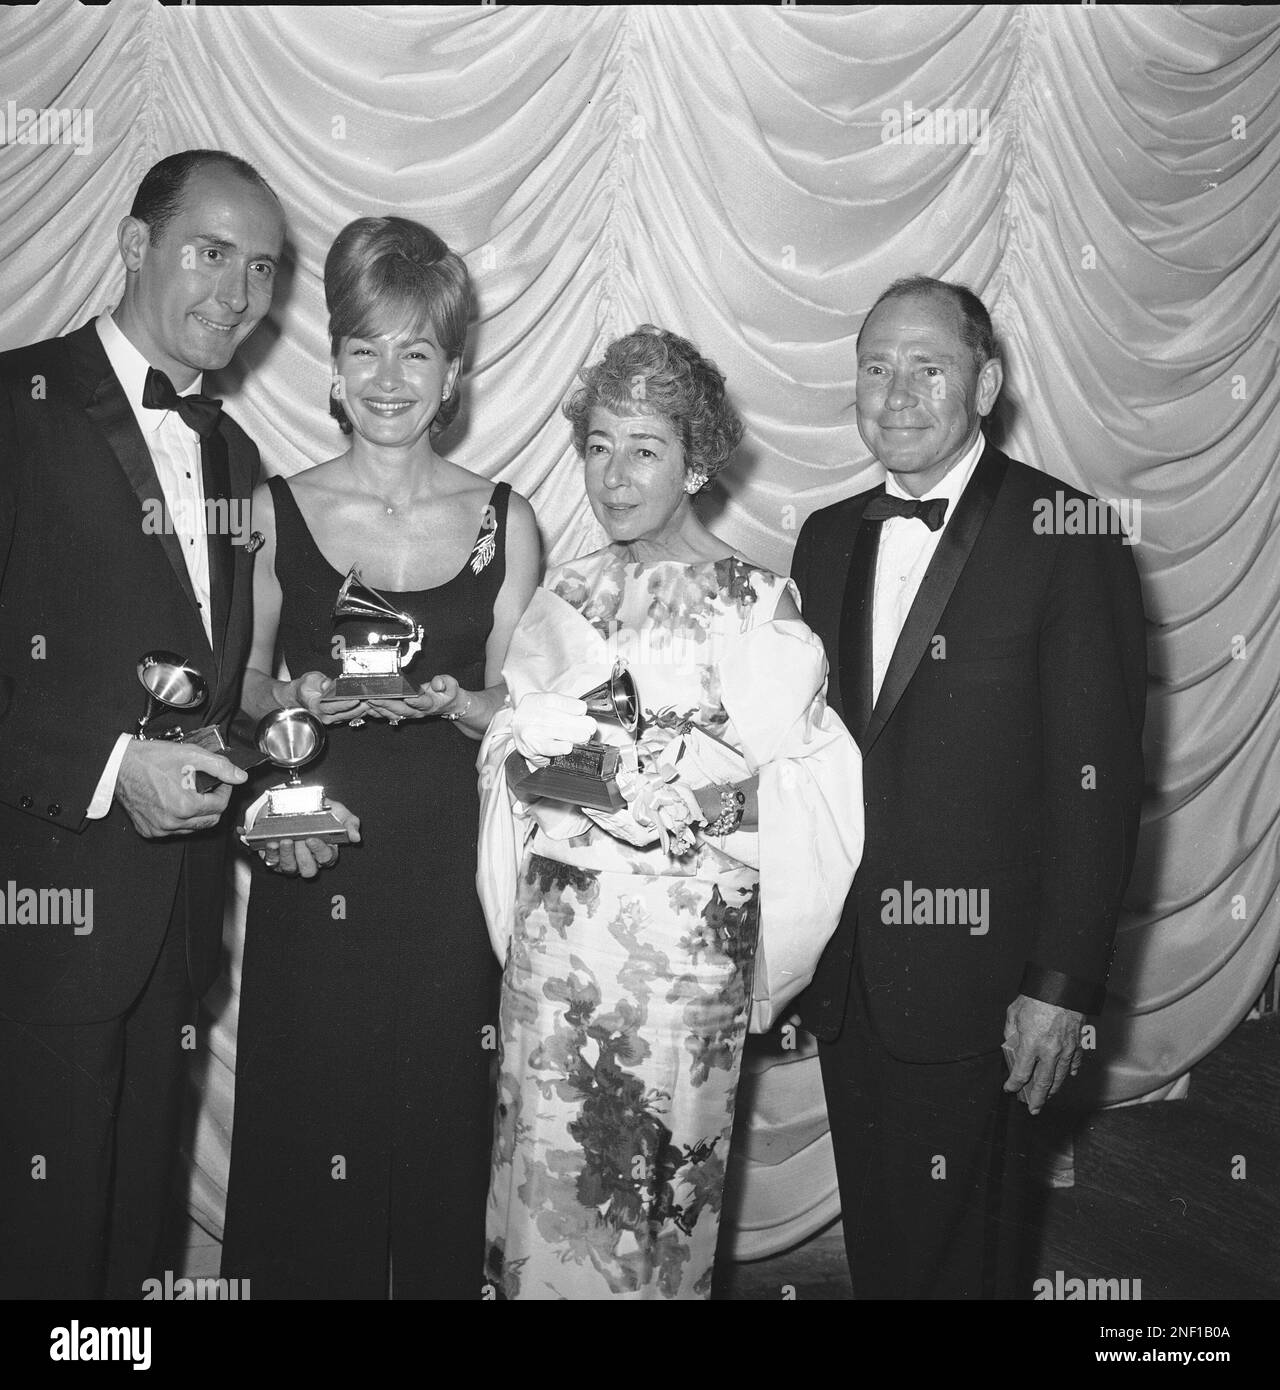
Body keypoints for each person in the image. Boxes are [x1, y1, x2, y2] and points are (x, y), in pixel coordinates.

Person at [476, 325, 862, 1299]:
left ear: (695, 463)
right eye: (597, 445)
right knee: (542, 1204)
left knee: (650, 1225)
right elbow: (509, 778)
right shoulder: (562, 592)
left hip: (680, 969)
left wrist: (688, 800)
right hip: (556, 955)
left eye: (643, 447)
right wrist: (539, 760)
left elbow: (809, 799)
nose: (613, 474)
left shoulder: (754, 604)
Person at [790, 275, 1147, 1299]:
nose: (895, 394)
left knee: (965, 1267)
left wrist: (1059, 987)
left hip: (987, 985)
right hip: (850, 979)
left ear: (983, 383)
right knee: (888, 1253)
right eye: (873, 368)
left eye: (927, 368)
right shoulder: (823, 537)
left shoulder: (1066, 535)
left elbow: (1098, 785)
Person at [219, 216, 539, 1299]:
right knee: (311, 1145)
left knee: (447, 1142)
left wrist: (464, 704)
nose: (389, 377)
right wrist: (289, 709)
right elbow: (244, 691)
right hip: (317, 860)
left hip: (456, 884)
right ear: (336, 366)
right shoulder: (273, 508)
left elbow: (528, 710)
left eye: (417, 353)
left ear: (451, 375)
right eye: (365, 349)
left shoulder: (506, 518)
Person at [0, 150, 286, 1298]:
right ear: (133, 245)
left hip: (174, 923)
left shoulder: (233, 450)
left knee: (131, 1251)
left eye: (260, 268)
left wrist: (276, 763)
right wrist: (115, 767)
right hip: (39, 908)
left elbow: (220, 694)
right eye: (210, 252)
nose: (238, 290)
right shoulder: (15, 405)